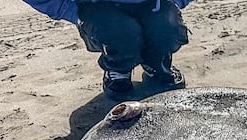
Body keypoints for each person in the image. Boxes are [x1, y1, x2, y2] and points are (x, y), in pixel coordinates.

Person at [23, 0, 192, 99]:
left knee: (167, 28)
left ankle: (156, 64)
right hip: (100, 11)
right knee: (119, 30)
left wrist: (176, 2)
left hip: (153, 6)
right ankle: (118, 70)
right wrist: (71, 11)